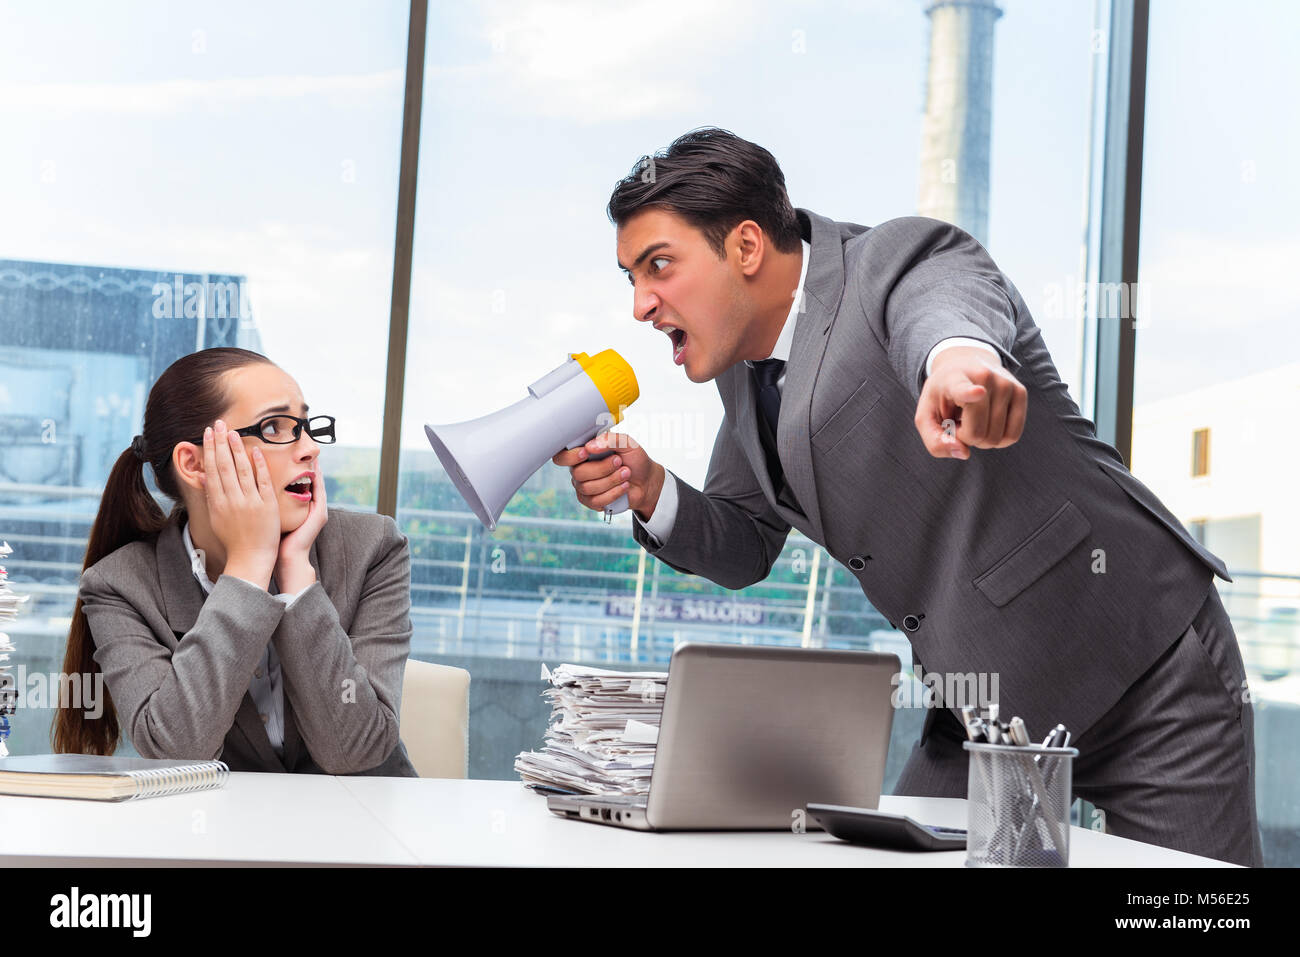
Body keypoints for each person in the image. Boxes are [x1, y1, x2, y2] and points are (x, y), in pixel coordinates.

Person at [553, 127, 1262, 866]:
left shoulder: (892, 260)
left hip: (1144, 663)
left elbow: (947, 311)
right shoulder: (745, 372)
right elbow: (744, 543)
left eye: (658, 266)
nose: (641, 304)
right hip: (986, 711)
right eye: (630, 276)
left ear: (747, 247)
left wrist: (959, 366)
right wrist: (651, 488)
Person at [52, 347, 417, 776]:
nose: (310, 449)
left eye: (305, 425)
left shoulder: (373, 548)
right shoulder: (119, 585)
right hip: (217, 837)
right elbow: (177, 752)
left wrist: (297, 575)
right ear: (194, 462)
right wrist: (248, 567)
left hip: (363, 833)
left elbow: (356, 750)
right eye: (275, 427)